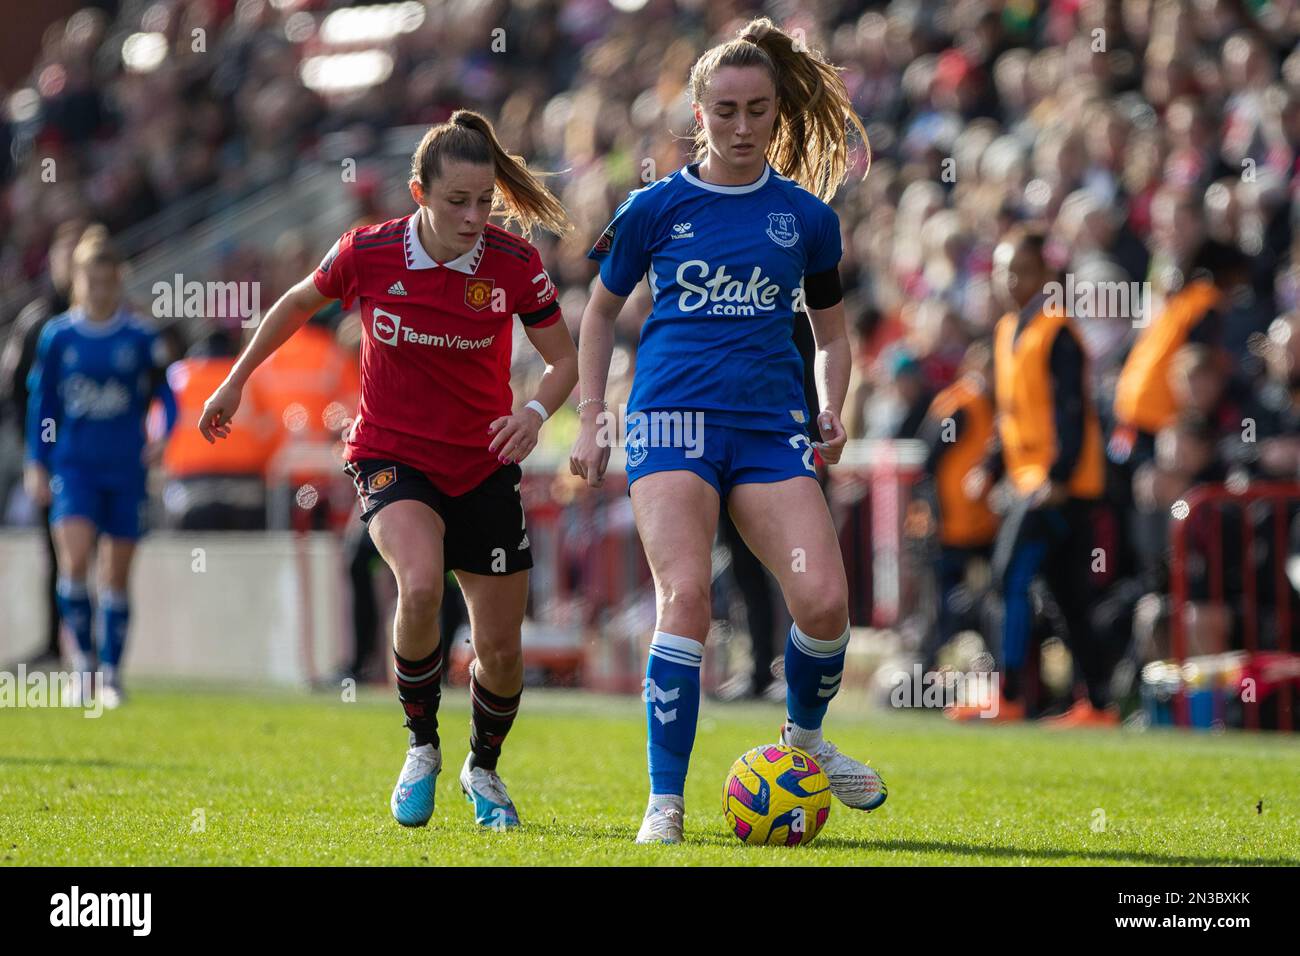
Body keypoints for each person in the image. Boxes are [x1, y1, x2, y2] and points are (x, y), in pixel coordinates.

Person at [198, 110, 578, 830]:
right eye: (455, 202)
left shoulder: (513, 263)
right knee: (422, 583)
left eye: (484, 203)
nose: (472, 218)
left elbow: (564, 359)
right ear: (418, 194)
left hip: (484, 462)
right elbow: (296, 302)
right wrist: (237, 378)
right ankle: (421, 746)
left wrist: (531, 415)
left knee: (499, 648)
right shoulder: (368, 252)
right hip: (391, 455)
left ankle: (483, 769)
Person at [570, 18, 887, 844]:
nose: (741, 127)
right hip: (669, 418)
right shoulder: (655, 208)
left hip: (768, 425)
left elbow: (834, 334)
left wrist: (832, 405)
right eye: (725, 111)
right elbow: (600, 313)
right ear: (697, 114)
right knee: (686, 598)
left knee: (822, 600)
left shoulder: (808, 220)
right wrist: (591, 415)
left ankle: (804, 745)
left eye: (757, 110)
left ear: (778, 113)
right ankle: (664, 803)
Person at [22, 226, 178, 708]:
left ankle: (112, 674)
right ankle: (83, 668)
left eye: (108, 281)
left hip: (125, 467)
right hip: (74, 465)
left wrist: (161, 437)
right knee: (73, 559)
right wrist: (38, 461)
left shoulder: (139, 336)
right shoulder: (58, 336)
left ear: (119, 282)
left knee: (115, 574)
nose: (99, 290)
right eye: (91, 281)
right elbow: (42, 404)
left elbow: (168, 394)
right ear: (77, 281)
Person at [984, 227, 1115, 726]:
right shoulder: (1007, 331)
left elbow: (1070, 410)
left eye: (1018, 270)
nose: (1008, 280)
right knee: (1067, 596)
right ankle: (1098, 704)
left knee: (1009, 576)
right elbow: (1014, 413)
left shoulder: (1057, 330)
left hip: (1054, 486)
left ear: (1044, 275)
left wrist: (1058, 475)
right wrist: (992, 465)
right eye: (1002, 270)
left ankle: (1011, 693)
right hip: (1030, 481)